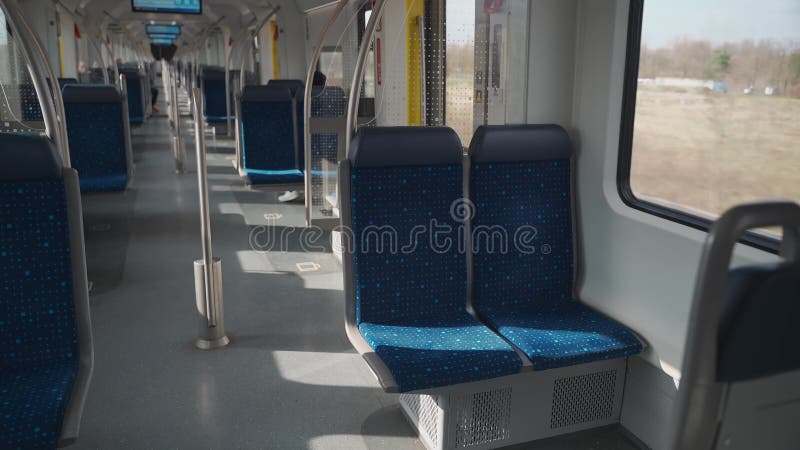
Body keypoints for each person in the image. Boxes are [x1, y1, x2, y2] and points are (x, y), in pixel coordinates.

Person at [278, 70, 327, 203]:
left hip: (301, 148)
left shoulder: (300, 103)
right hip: (325, 149)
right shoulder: (331, 101)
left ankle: (292, 188)